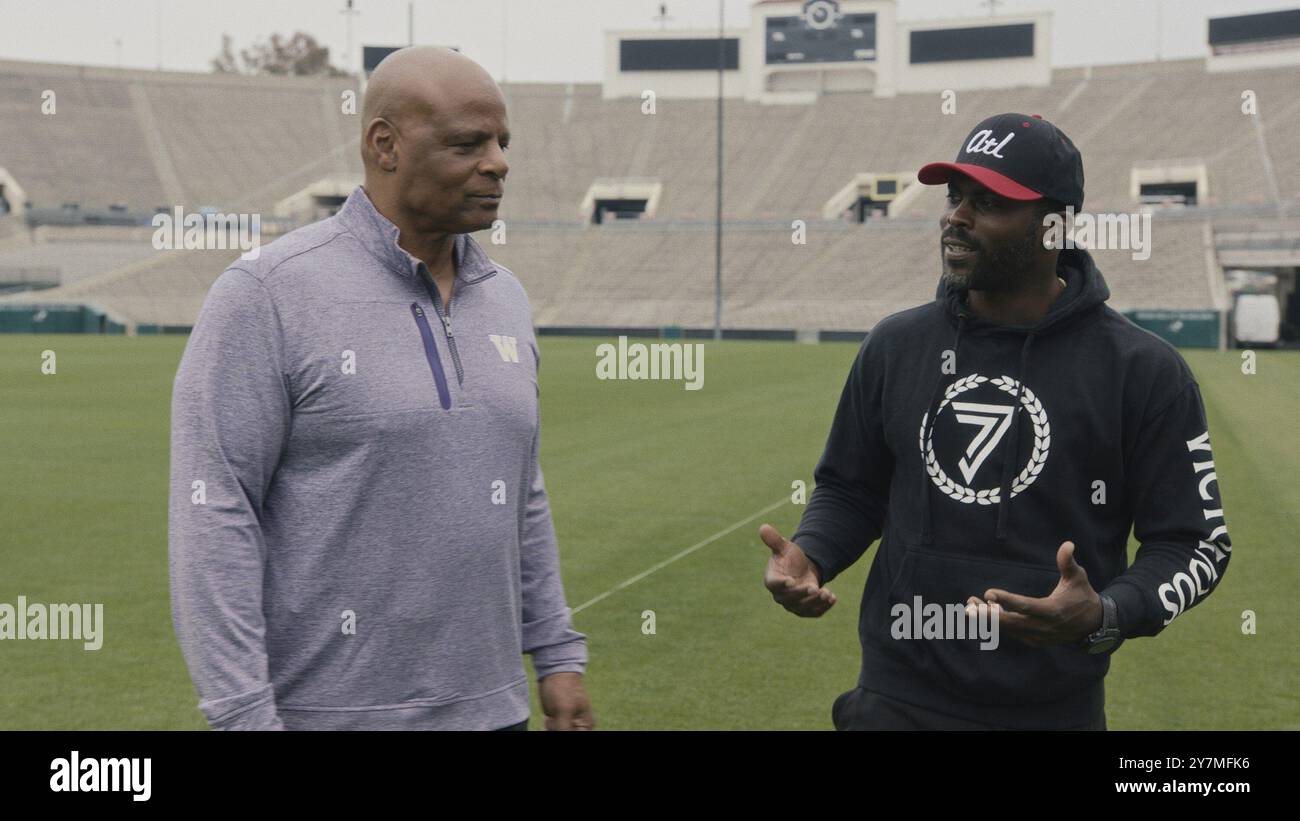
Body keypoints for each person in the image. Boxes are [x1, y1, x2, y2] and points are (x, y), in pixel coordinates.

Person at [760, 112, 1231, 730]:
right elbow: (851, 488)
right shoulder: (895, 346)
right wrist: (812, 554)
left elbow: (1196, 544)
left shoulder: (1144, 371)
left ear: (1054, 225)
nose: (957, 216)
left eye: (989, 202)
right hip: (896, 699)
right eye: (956, 197)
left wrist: (1106, 613)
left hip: (1051, 711)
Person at [168, 46, 592, 730]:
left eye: (502, 142)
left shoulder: (506, 298)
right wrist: (242, 713)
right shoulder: (266, 294)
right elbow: (214, 515)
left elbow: (521, 490)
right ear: (384, 145)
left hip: (495, 711)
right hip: (330, 715)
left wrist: (557, 652)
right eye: (468, 143)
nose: (499, 162)